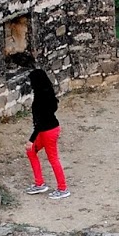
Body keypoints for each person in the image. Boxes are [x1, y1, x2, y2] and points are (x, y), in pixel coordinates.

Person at [25, 68, 69, 199]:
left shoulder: (40, 97)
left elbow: (40, 122)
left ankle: (62, 188)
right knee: (31, 151)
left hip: (47, 131)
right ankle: (39, 183)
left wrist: (31, 139)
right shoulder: (48, 92)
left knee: (53, 158)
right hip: (50, 129)